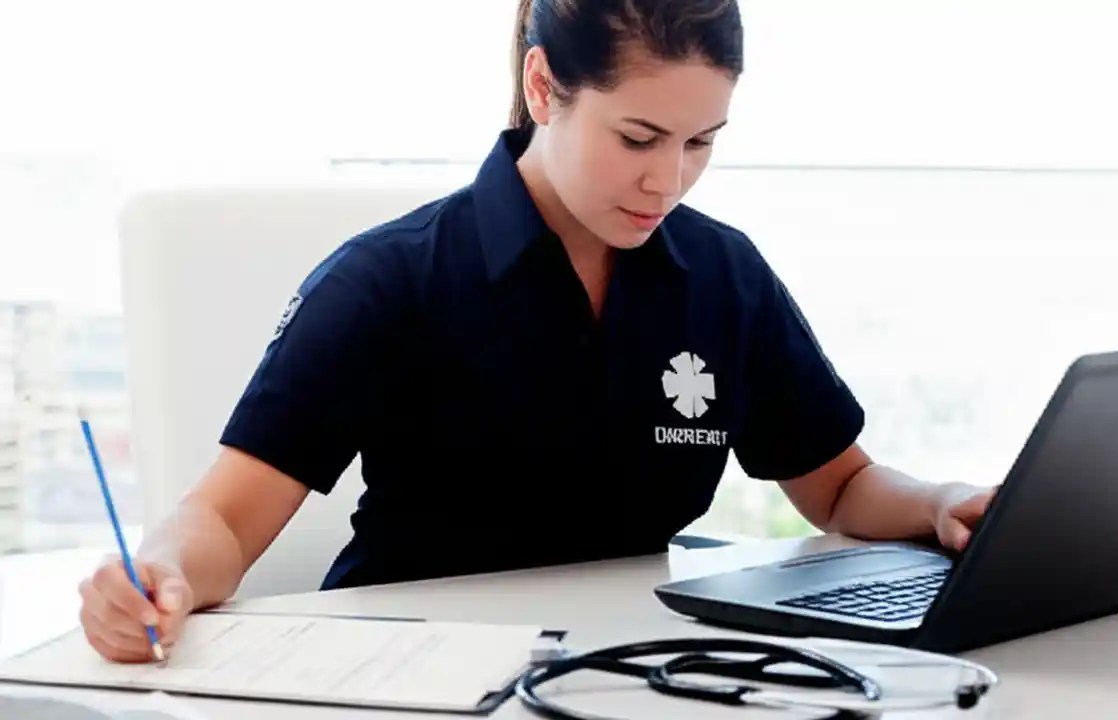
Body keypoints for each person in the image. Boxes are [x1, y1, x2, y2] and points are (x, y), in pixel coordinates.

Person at [78, 0, 995, 663]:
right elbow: (225, 520)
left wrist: (940, 501)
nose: (668, 182)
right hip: (419, 670)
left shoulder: (723, 274)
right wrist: (159, 573)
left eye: (700, 142)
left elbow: (840, 488)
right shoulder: (390, 280)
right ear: (544, 84)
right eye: (638, 138)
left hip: (634, 665)